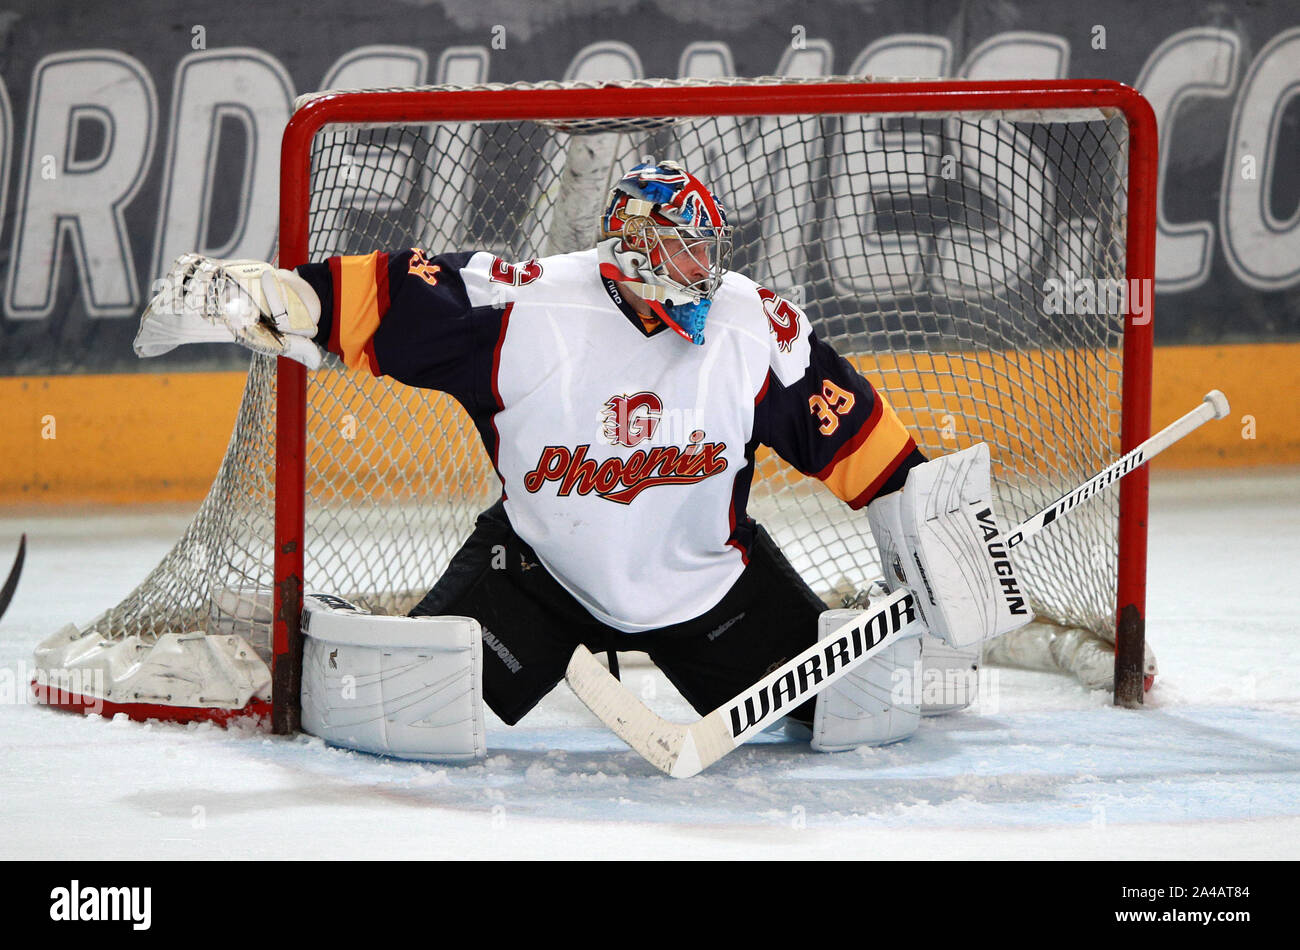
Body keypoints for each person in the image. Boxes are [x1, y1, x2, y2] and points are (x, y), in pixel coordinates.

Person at [139, 159, 1026, 754]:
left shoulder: (752, 323)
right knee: (399, 718)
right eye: (681, 246)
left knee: (857, 715)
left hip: (705, 587)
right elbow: (397, 295)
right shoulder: (529, 308)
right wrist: (284, 295)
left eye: (707, 248)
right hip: (534, 576)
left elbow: (858, 443)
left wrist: (940, 533)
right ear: (634, 246)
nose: (702, 268)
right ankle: (304, 634)